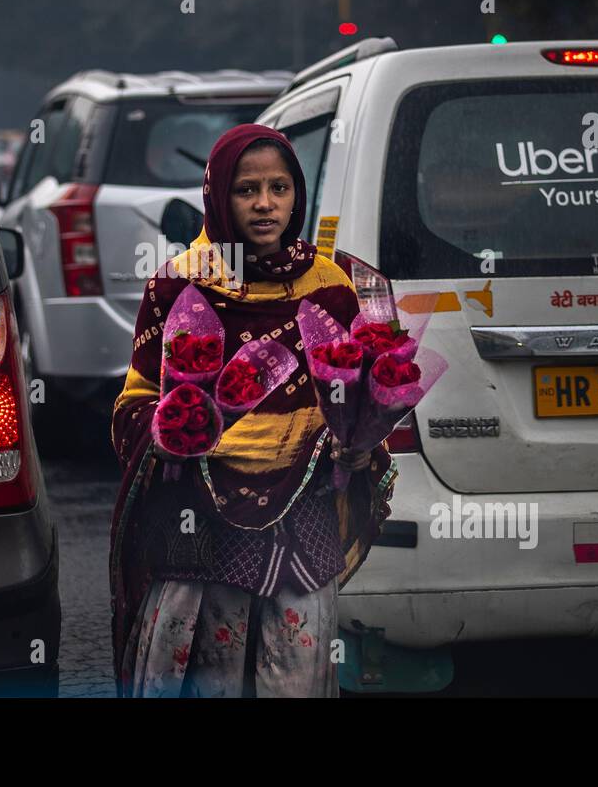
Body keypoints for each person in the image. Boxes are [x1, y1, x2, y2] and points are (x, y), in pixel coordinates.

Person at [109, 123, 397, 698]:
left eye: (280, 187)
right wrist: (168, 430)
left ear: (298, 193)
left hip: (305, 511)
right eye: (246, 190)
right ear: (218, 196)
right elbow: (133, 403)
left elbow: (363, 398)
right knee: (207, 674)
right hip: (201, 515)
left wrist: (359, 446)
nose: (265, 204)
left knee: (298, 674)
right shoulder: (177, 286)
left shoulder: (333, 285)